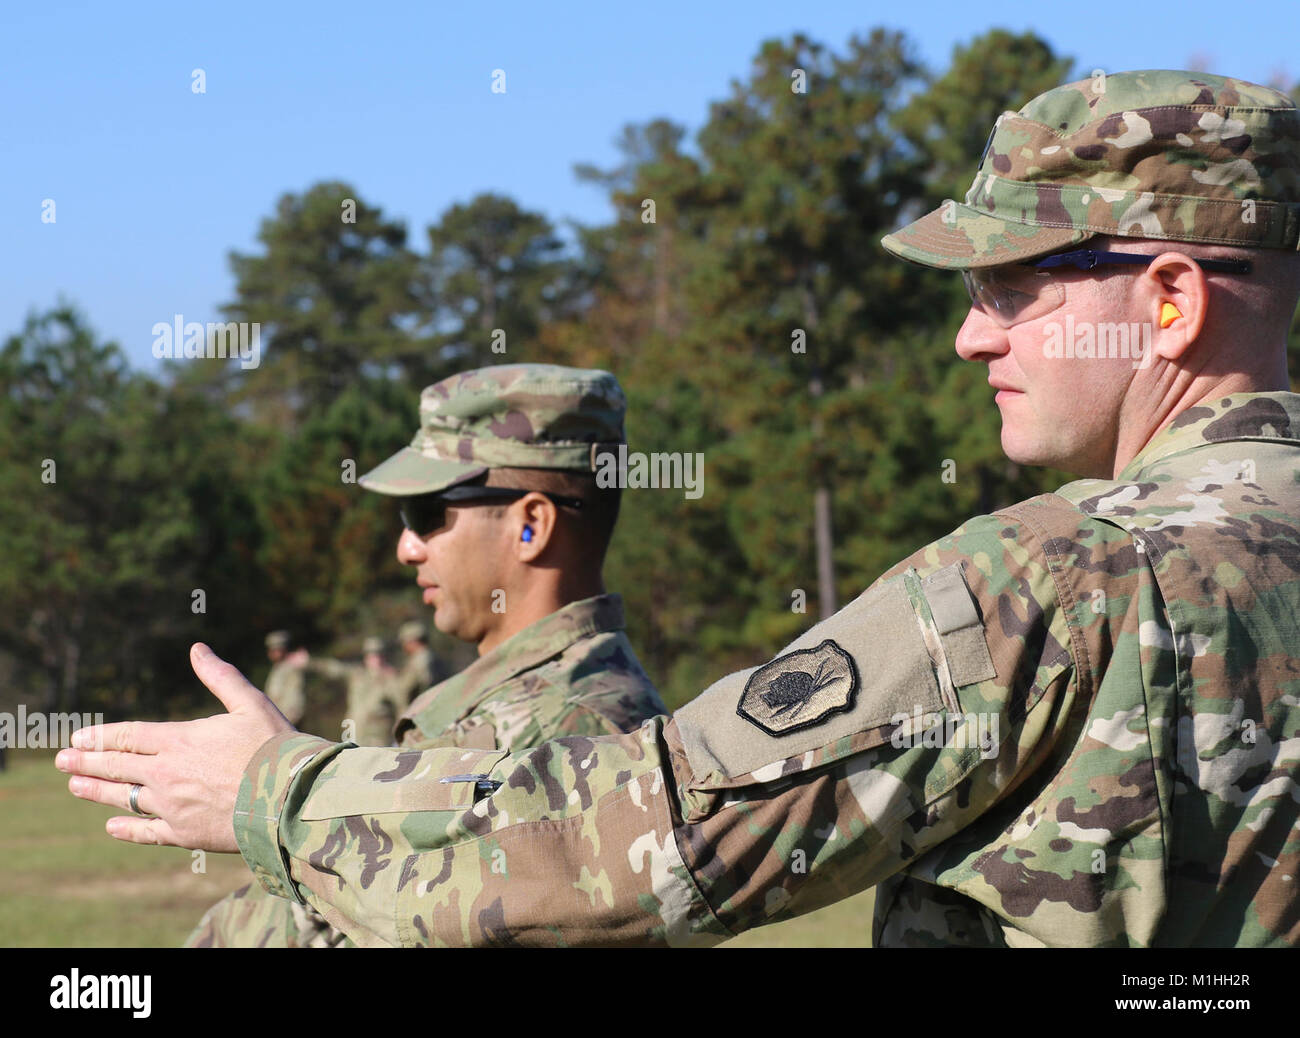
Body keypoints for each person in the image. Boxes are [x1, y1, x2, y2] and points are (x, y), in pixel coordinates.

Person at [59, 70, 1300, 947]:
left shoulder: (1059, 580)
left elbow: (642, 846)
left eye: (1008, 286)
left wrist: (272, 791)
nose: (971, 337)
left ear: (1172, 300)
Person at [180, 363, 668, 946]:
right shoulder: (512, 704)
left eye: (427, 512)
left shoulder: (583, 734)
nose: (406, 547)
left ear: (531, 524)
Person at [294, 636, 399, 748]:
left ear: (384, 656)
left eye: (379, 654)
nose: (375, 658)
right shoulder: (357, 674)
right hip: (355, 731)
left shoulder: (392, 678)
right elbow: (334, 668)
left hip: (379, 735)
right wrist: (310, 662)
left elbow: (402, 706)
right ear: (365, 657)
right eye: (371, 655)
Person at [390, 620, 434, 716]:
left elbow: (405, 690)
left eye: (405, 642)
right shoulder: (433, 658)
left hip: (419, 715)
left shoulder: (421, 660)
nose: (403, 646)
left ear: (412, 641)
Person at [261, 630, 305, 727]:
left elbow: (295, 701)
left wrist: (285, 725)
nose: (271, 653)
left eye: (275, 649)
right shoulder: (277, 668)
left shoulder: (292, 667)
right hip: (279, 723)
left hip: (288, 724)